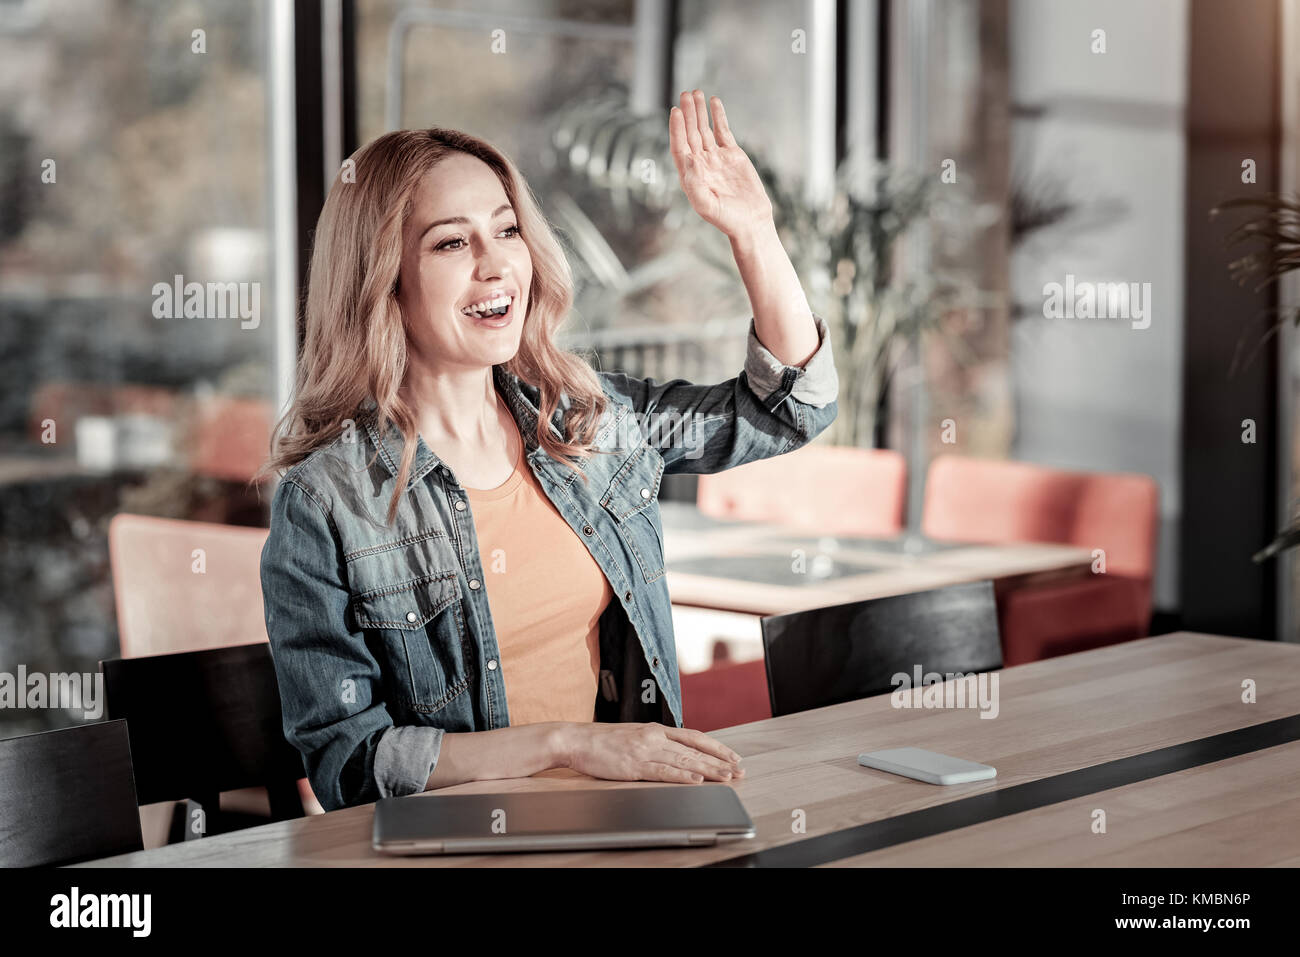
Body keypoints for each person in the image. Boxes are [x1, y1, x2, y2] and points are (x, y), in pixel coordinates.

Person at [259, 90, 839, 812]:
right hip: (462, 854)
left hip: (624, 829)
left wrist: (754, 233)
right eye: (451, 242)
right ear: (383, 279)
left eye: (506, 231)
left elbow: (788, 411)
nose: (496, 265)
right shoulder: (326, 502)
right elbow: (351, 763)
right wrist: (569, 743)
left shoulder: (590, 423)